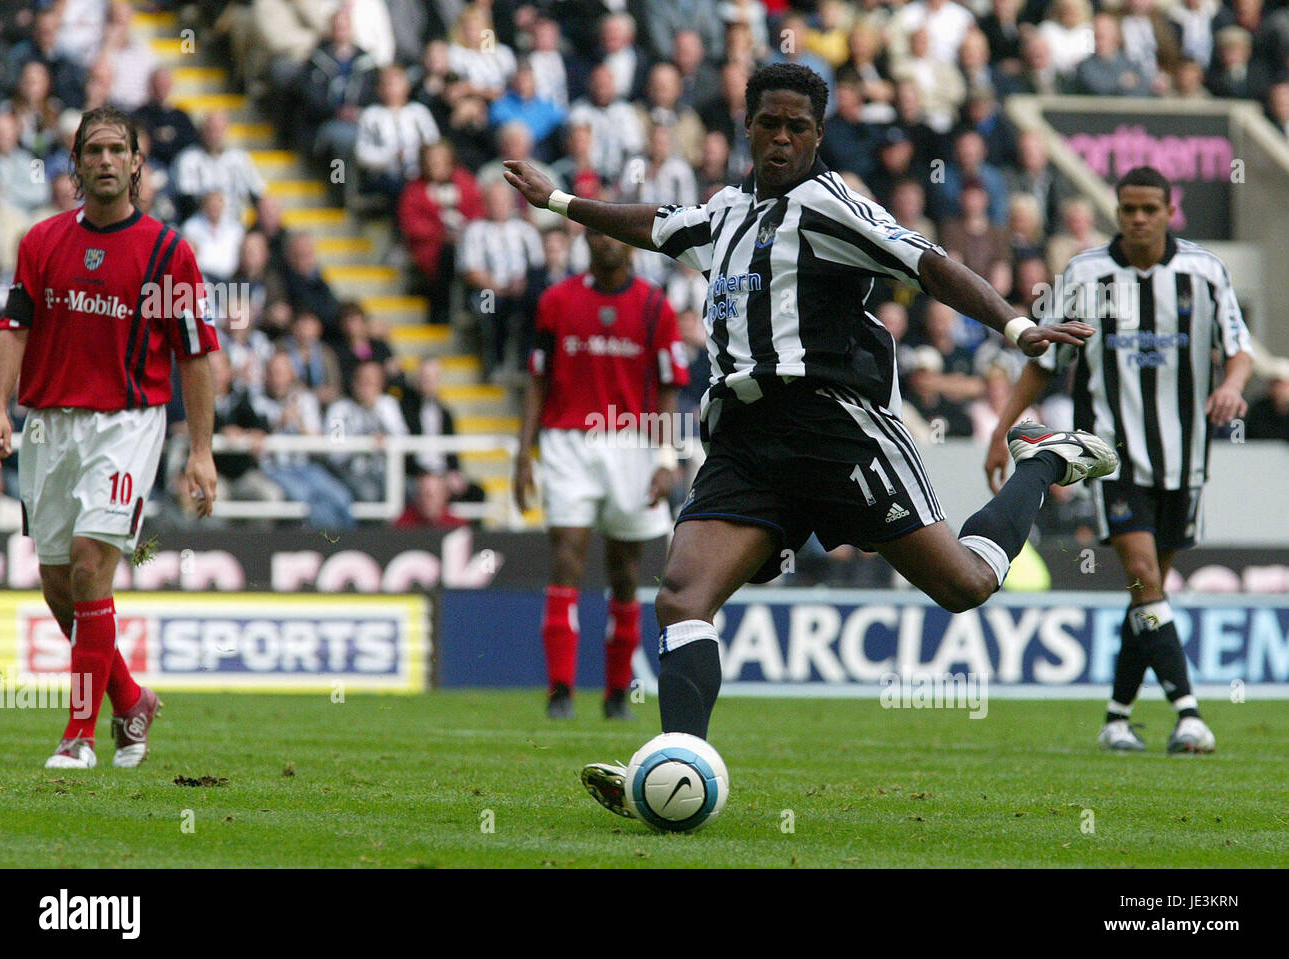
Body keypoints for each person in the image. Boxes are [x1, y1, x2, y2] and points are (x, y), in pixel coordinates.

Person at [504, 62, 1117, 818]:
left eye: (799, 126)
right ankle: (673, 768)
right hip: (746, 437)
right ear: (748, 127)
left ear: (819, 134)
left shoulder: (832, 208)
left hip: (835, 430)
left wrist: (1017, 326)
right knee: (682, 595)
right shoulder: (723, 214)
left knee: (963, 586)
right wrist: (559, 200)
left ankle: (1043, 459)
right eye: (770, 123)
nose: (783, 137)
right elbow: (653, 225)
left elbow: (928, 263)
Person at [985, 166, 1253, 755]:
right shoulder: (1085, 273)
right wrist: (1001, 428)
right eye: (1127, 209)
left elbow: (1240, 351)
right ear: (1117, 209)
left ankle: (1116, 717)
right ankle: (1189, 714)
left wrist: (1231, 385)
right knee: (1146, 579)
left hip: (1186, 459)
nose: (1137, 219)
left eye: (1148, 209)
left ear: (1169, 208)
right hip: (1111, 456)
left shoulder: (1204, 272)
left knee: (1146, 591)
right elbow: (1044, 361)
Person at [0, 106, 219, 769]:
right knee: (59, 584)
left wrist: (200, 450)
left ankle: (79, 735)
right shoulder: (42, 242)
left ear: (138, 163)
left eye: (119, 149)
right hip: (49, 423)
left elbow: (195, 353)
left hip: (126, 420)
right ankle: (129, 696)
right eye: (95, 150)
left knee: (92, 562)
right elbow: (14, 330)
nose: (107, 160)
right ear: (77, 162)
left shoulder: (167, 251)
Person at [513, 227, 689, 721]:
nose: (606, 242)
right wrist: (522, 454)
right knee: (566, 557)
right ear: (584, 242)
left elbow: (671, 386)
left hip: (633, 441)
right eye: (596, 233)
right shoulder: (555, 301)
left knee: (626, 572)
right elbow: (537, 380)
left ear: (630, 242)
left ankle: (616, 694)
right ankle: (560, 692)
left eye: (615, 233)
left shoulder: (656, 306)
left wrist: (666, 458)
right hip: (568, 442)